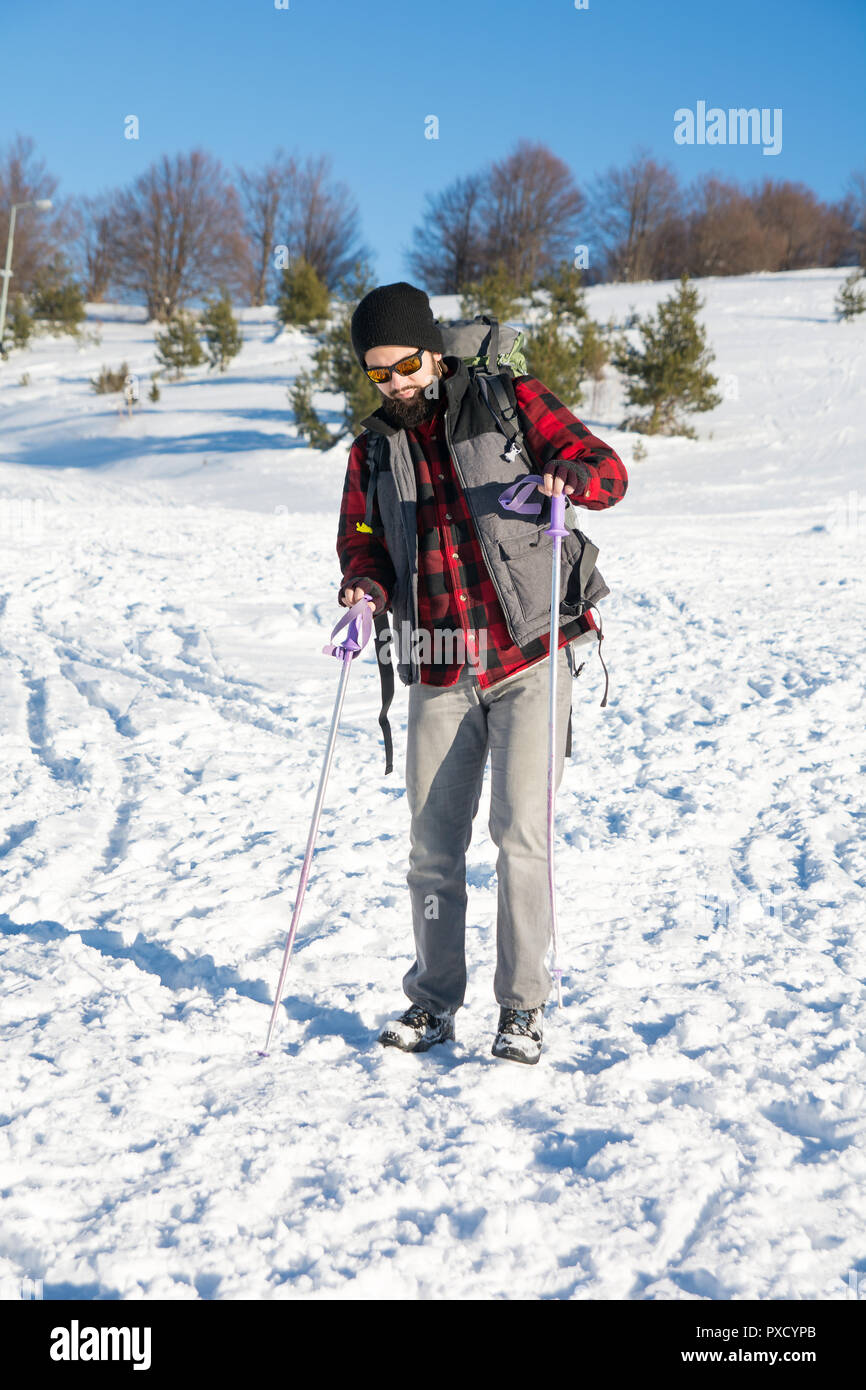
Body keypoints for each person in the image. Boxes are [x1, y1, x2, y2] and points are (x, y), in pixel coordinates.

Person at [336, 281, 627, 1064]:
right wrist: (362, 582)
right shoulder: (373, 447)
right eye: (377, 371)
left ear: (433, 350)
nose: (393, 382)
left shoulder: (506, 399)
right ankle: (432, 1002)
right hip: (437, 664)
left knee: (520, 837)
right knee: (432, 848)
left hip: (529, 654)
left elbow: (607, 468)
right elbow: (361, 537)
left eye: (403, 364)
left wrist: (572, 476)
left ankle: (522, 1009)